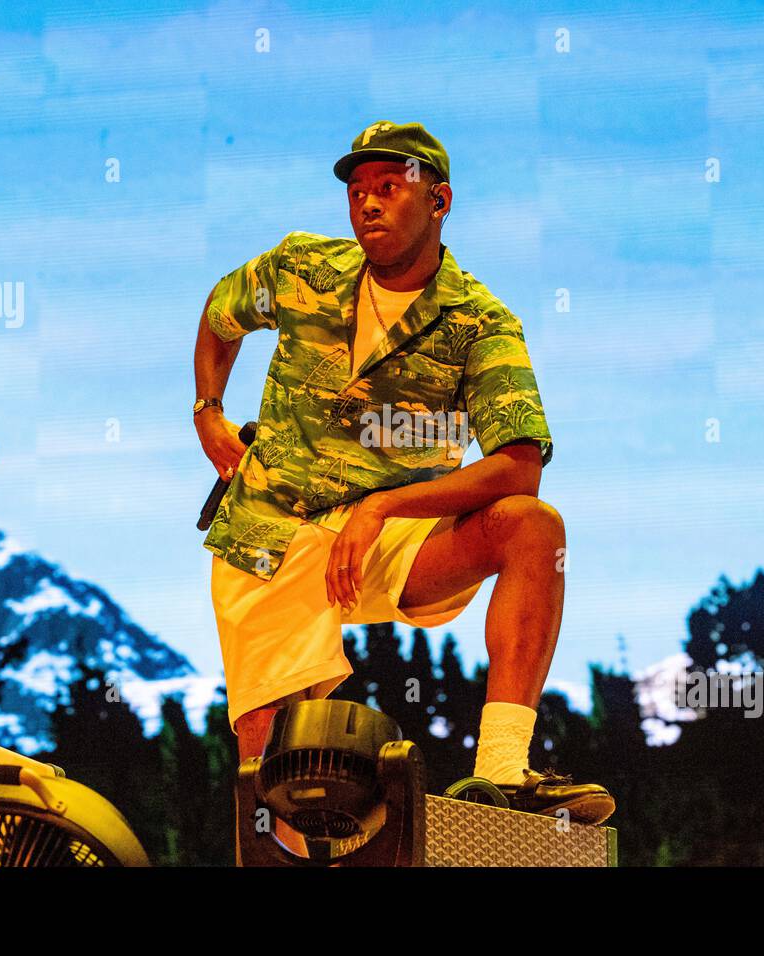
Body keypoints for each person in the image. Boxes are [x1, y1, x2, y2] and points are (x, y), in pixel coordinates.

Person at [193, 120, 613, 828]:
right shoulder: (301, 267)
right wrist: (208, 411)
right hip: (269, 530)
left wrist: (384, 508)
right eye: (358, 190)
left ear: (439, 200)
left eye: (390, 187)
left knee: (533, 528)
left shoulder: (479, 323)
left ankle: (504, 769)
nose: (368, 204)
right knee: (273, 781)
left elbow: (520, 466)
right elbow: (219, 314)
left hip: (393, 541)